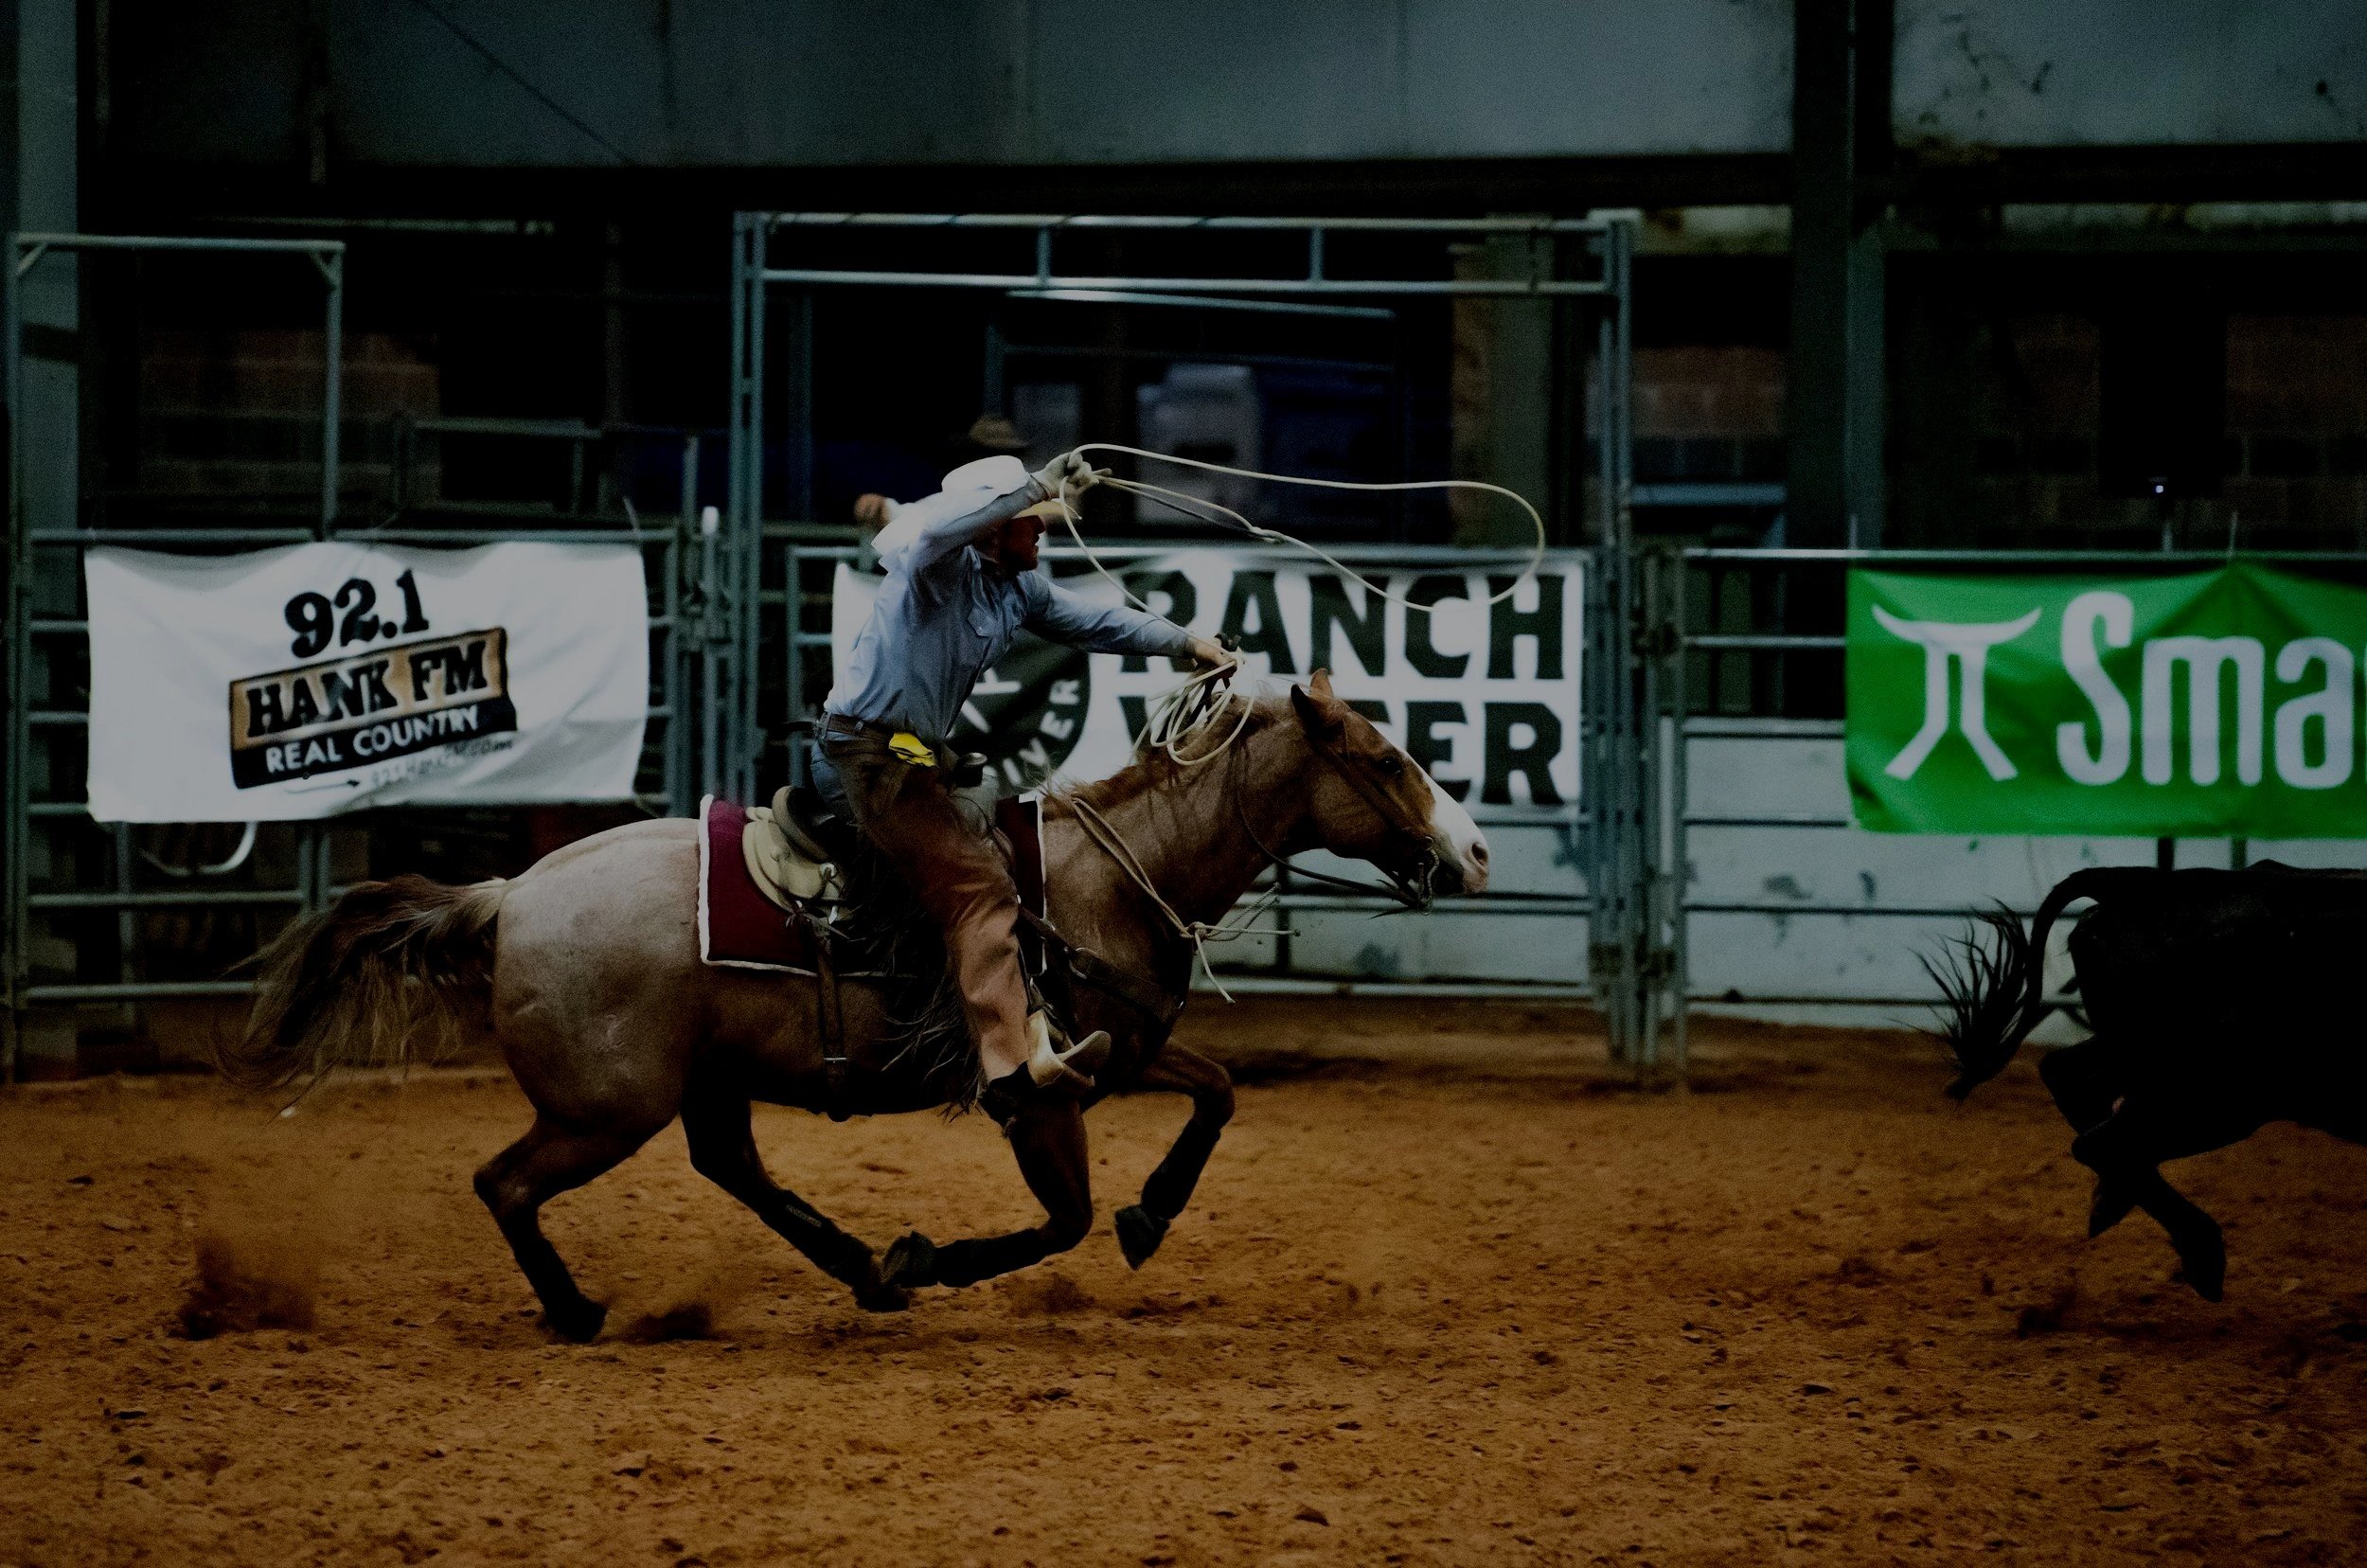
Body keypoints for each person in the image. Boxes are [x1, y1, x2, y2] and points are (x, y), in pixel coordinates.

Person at [814, 450, 1228, 1108]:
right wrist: (1036, 483)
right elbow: (941, 525)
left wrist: (1186, 643)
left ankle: (1003, 1013)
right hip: (864, 759)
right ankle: (1008, 1066)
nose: (1042, 528)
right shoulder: (936, 568)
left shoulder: (1015, 587)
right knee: (980, 889)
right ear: (991, 529)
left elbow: (1095, 621)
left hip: (902, 759)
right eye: (1029, 520)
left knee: (992, 853)